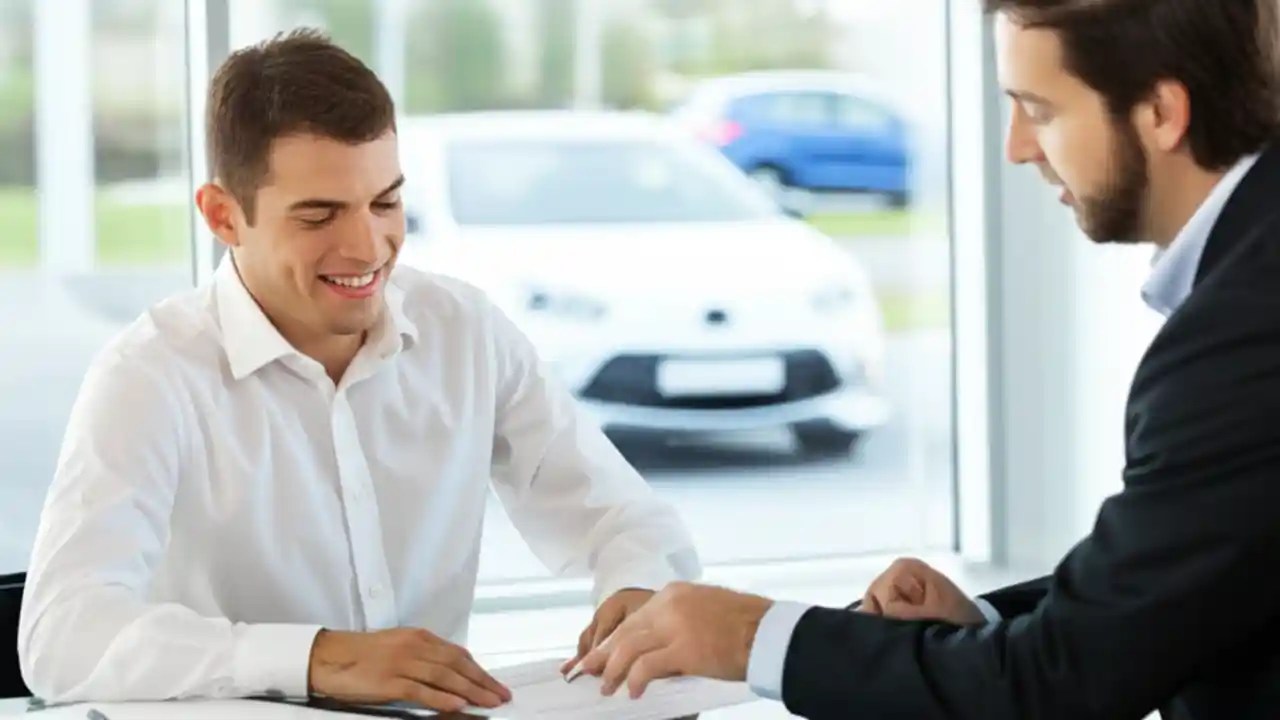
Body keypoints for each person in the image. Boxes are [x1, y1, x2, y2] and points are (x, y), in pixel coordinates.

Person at [579, 1, 1280, 718]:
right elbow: (1191, 567)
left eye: (1039, 110)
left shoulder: (1239, 333)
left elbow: (1062, 683)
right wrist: (977, 626)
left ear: (1162, 111)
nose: (1017, 147)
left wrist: (755, 636)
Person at [17, 29, 700, 712]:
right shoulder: (151, 374)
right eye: (319, 215)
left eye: (385, 203)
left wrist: (637, 588)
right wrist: (313, 657)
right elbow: (60, 637)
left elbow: (623, 519)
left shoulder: (464, 331)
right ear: (224, 216)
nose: (367, 247)